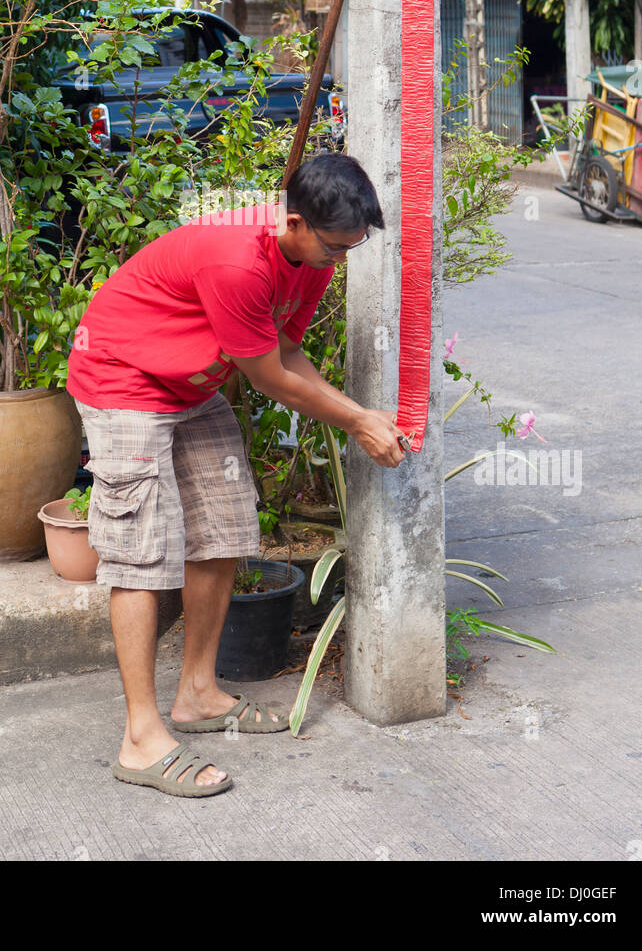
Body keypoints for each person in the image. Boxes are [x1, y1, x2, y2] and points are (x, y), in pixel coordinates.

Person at [66, 152, 406, 798]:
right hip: (124, 377)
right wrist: (359, 422)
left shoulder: (310, 257)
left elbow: (288, 350)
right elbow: (270, 378)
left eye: (350, 249)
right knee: (141, 553)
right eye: (335, 247)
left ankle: (197, 692)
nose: (340, 261)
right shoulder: (237, 259)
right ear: (297, 221)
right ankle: (140, 738)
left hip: (190, 386)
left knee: (223, 526)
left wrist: (360, 414)